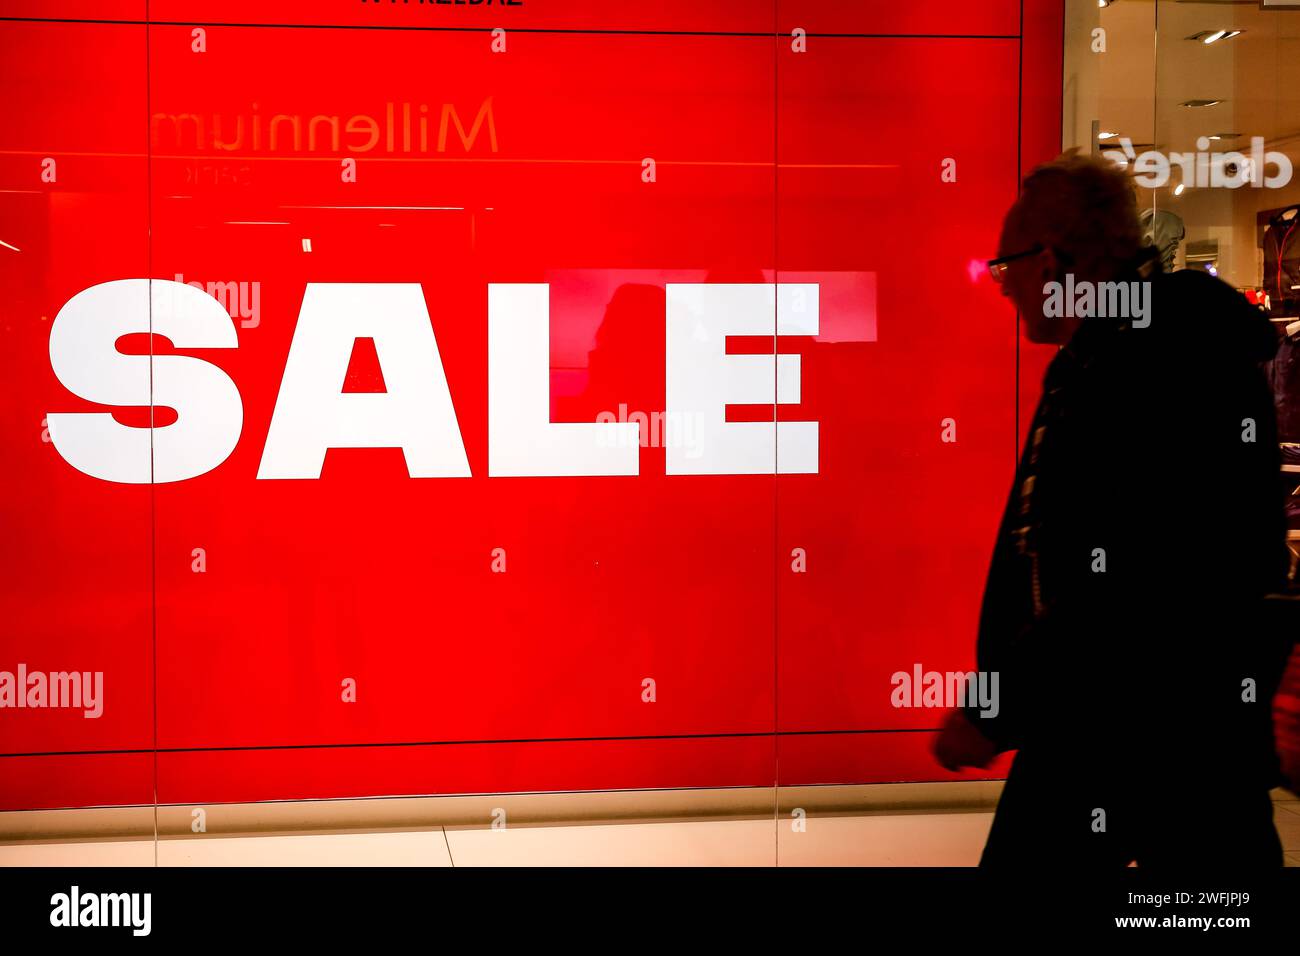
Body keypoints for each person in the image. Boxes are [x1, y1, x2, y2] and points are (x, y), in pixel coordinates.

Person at [933, 152, 1292, 867]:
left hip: (1134, 728)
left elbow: (1119, 579)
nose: (1004, 290)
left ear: (1058, 259)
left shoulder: (1146, 367)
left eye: (1007, 268)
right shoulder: (1111, 360)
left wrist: (993, 706)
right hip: (1138, 724)